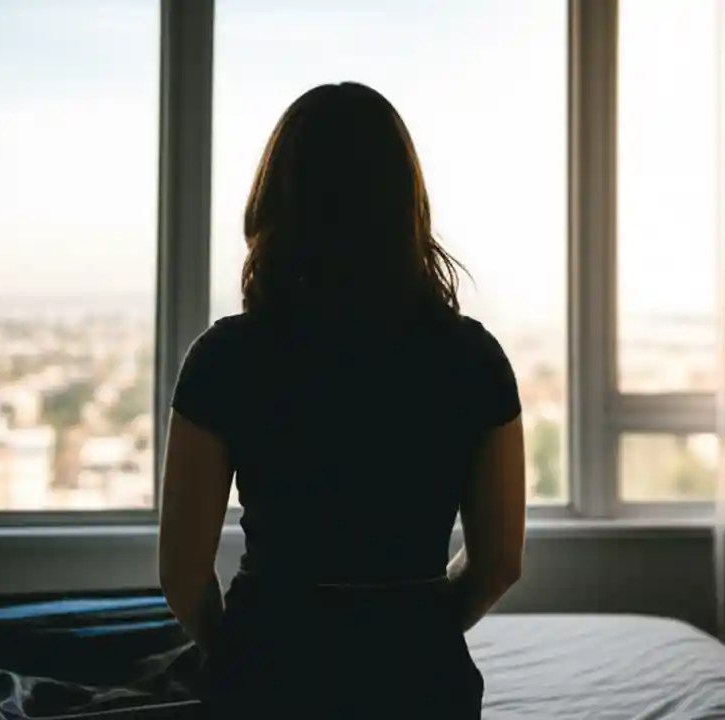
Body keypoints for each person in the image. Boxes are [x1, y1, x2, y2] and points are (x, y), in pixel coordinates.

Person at [157, 81, 526, 718]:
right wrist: (415, 629)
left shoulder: (225, 359)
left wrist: (246, 652)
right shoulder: (474, 360)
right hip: (422, 684)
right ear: (405, 203)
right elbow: (498, 563)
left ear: (278, 201)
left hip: (267, 678)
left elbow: (183, 574)